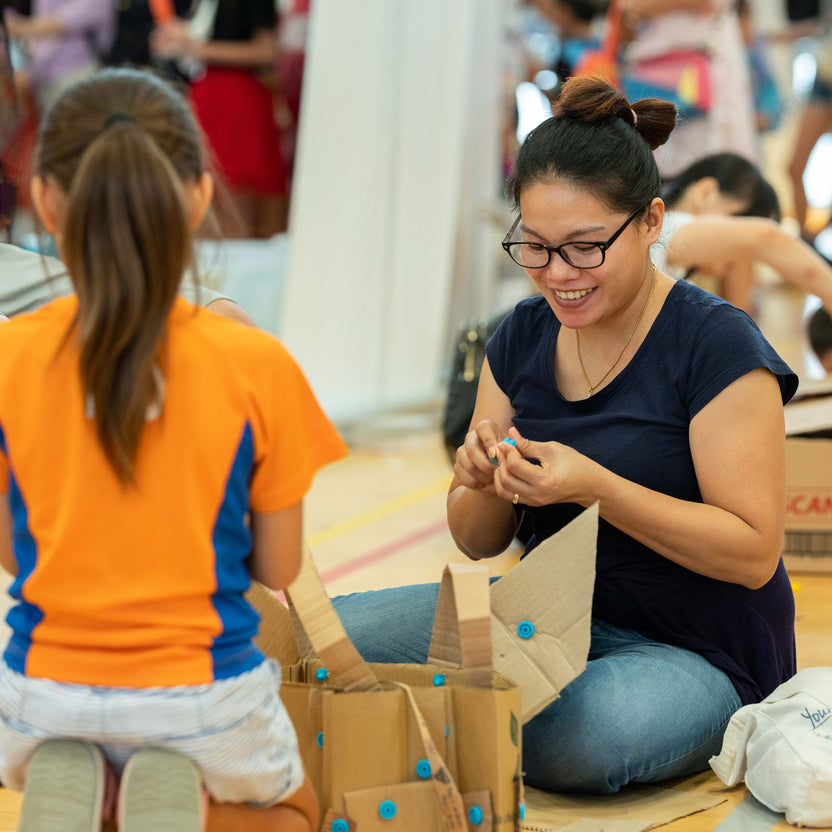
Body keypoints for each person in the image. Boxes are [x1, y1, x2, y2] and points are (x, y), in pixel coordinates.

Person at [333, 75, 798, 795]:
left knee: (580, 734)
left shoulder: (716, 344)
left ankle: (449, 720)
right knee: (330, 638)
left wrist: (594, 488)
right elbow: (476, 541)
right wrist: (481, 482)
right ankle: (469, 720)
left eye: (584, 248)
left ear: (650, 222)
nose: (557, 275)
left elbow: (753, 551)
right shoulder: (521, 336)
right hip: (547, 621)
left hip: (694, 650)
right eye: (535, 247)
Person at [0, 67, 347, 831]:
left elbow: (14, 556)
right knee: (297, 812)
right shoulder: (253, 362)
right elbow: (277, 568)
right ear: (197, 196)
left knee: (84, 754)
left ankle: (102, 795)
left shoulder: (8, 357)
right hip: (199, 695)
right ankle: (167, 798)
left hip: (39, 694)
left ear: (46, 201)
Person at [151, 0, 289, 239]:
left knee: (235, 212)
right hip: (205, 96)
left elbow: (268, 51)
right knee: (201, 203)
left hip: (235, 100)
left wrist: (195, 48)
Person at [657, 152, 832, 318]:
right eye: (737, 228)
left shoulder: (677, 276)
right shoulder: (662, 228)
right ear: (706, 193)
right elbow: (766, 238)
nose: (739, 257)